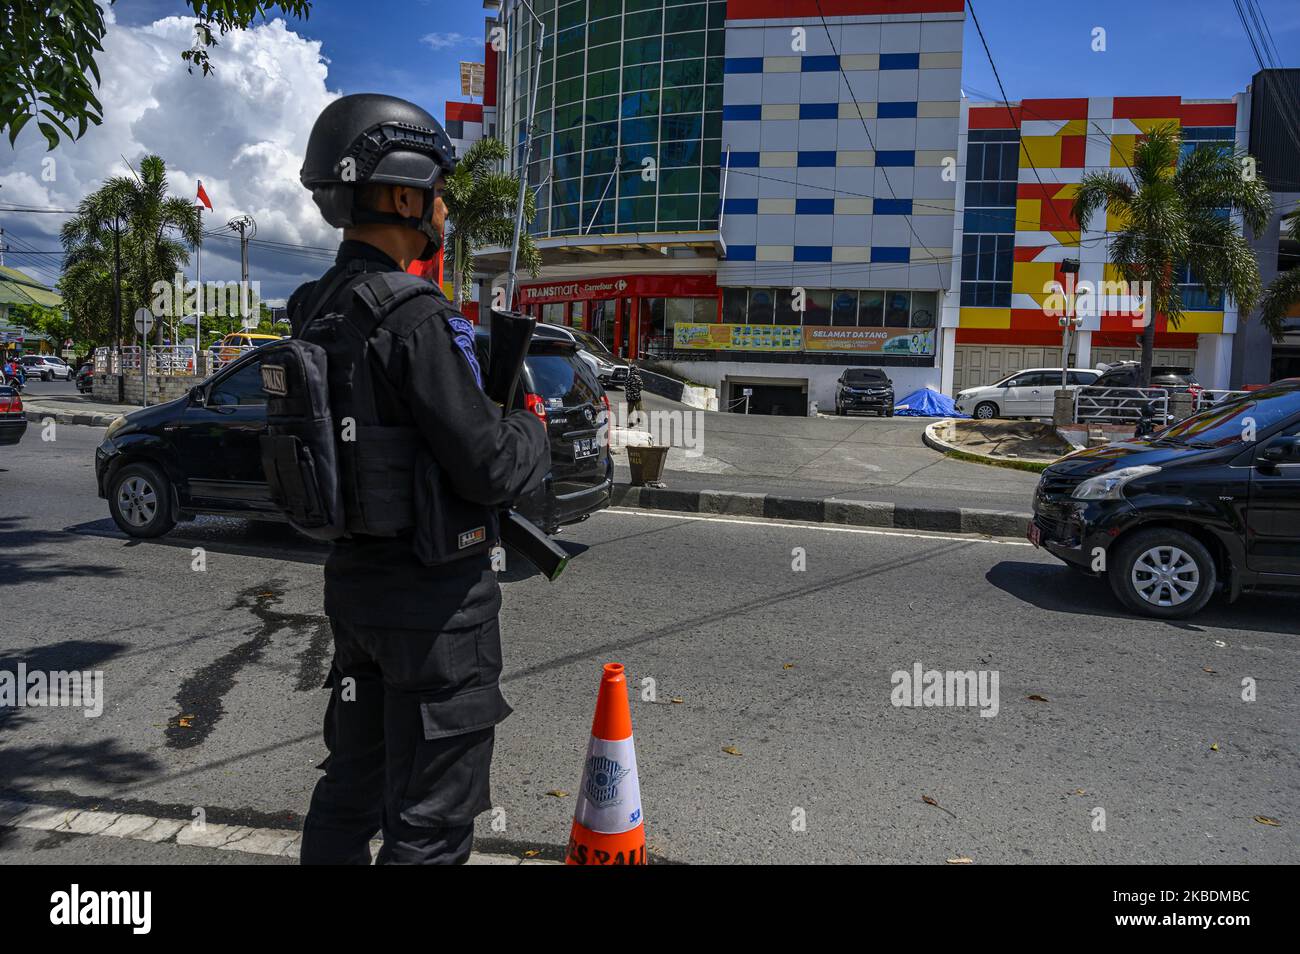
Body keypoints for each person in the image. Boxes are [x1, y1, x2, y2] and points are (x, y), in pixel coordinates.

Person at [292, 93, 551, 865]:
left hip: (356, 595)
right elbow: (489, 465)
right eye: (435, 191)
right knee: (430, 825)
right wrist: (531, 425)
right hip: (437, 612)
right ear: (403, 195)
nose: (442, 207)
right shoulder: (416, 316)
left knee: (349, 791)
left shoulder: (316, 308)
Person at [626, 361, 644, 427]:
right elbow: (641, 387)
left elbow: (626, 387)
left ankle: (630, 423)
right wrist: (637, 391)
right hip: (637, 397)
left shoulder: (628, 378)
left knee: (630, 410)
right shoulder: (637, 377)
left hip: (629, 398)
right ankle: (640, 421)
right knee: (639, 409)